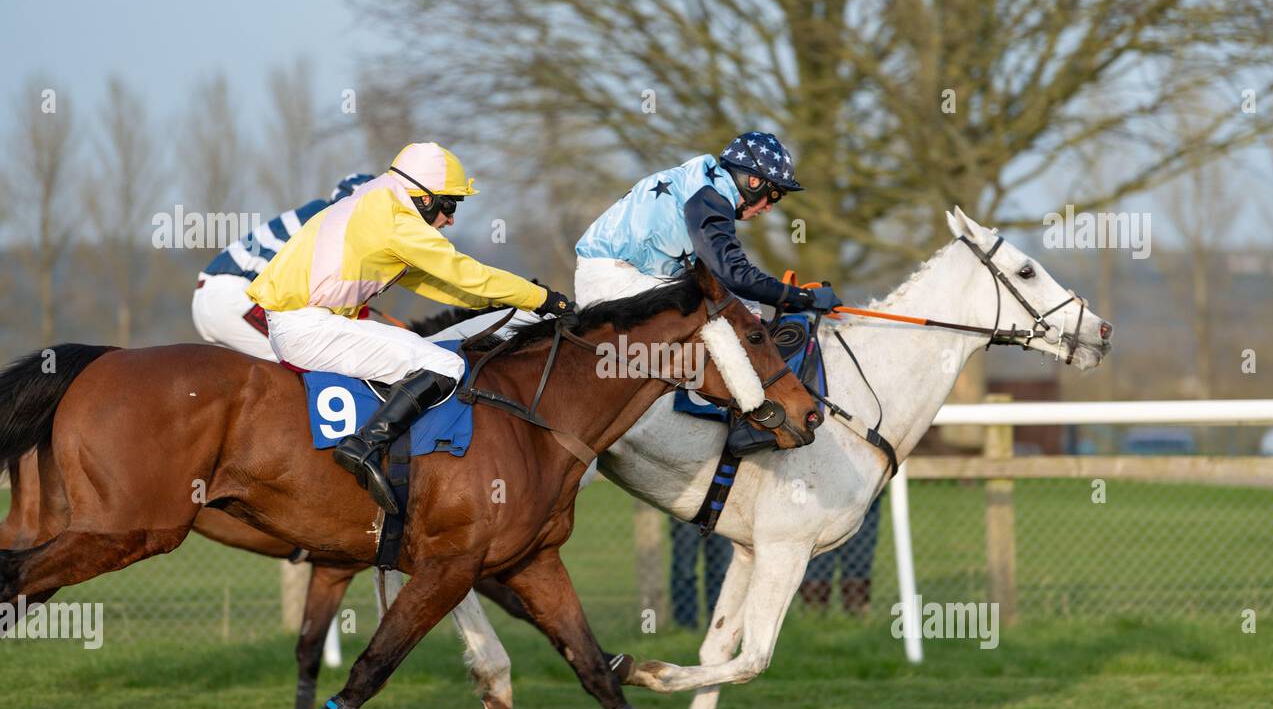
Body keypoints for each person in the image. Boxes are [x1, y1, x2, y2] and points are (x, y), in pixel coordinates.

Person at [248, 142, 573, 514]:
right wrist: (541, 299)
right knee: (447, 365)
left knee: (425, 355)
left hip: (305, 323)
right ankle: (365, 446)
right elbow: (465, 271)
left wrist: (490, 301)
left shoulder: (379, 201)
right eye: (448, 205)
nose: (450, 219)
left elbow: (431, 282)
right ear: (422, 198)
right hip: (308, 327)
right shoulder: (395, 219)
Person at [574, 131, 842, 454]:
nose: (769, 209)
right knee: (714, 321)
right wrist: (804, 298)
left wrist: (758, 308)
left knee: (743, 311)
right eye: (774, 196)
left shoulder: (705, 186)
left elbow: (724, 279)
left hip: (632, 273)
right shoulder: (710, 197)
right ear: (752, 182)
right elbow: (736, 274)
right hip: (613, 279)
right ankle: (756, 416)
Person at [192, 174, 374, 360]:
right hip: (232, 298)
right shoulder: (329, 223)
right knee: (306, 355)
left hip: (216, 295)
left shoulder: (317, 213)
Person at [800, 496, 882, 615]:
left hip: (861, 496)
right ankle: (814, 609)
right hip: (820, 495)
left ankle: (856, 609)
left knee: (858, 558)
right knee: (817, 557)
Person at [669, 516, 733, 628]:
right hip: (686, 507)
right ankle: (685, 626)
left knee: (721, 572)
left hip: (722, 510)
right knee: (684, 572)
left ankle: (718, 623)